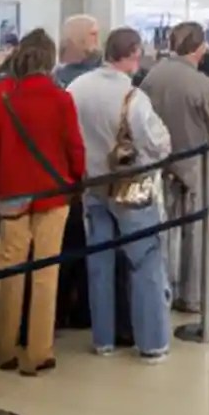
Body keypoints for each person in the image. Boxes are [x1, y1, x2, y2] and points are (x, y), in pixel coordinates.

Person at [67, 29, 172, 364]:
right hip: (132, 186)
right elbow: (157, 145)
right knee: (145, 261)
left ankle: (103, 340)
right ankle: (152, 343)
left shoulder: (76, 88)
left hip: (91, 183)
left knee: (99, 262)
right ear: (134, 53)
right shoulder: (134, 98)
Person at [0, 29, 85, 376]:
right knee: (45, 274)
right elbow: (74, 147)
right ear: (50, 59)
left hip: (12, 192)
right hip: (52, 194)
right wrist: (76, 178)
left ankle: (4, 347)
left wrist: (0, 181)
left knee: (9, 271)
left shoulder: (1, 95)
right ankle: (39, 351)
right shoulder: (60, 98)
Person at [138, 23, 209, 312]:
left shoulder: (150, 78)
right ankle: (192, 296)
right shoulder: (205, 85)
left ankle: (161, 292)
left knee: (162, 229)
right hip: (196, 164)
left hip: (158, 163)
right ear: (200, 47)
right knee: (197, 230)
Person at [54, 15, 101, 89]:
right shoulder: (58, 73)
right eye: (93, 34)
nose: (97, 39)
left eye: (97, 34)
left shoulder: (103, 68)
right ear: (78, 35)